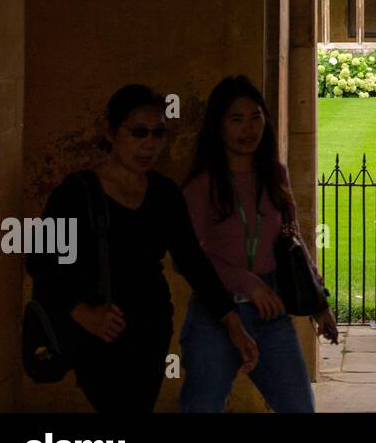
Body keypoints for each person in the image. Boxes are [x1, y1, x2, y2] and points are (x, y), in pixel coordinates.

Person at [28, 85, 258, 413]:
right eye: (138, 132)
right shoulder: (76, 193)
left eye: (158, 133)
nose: (149, 143)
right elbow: (41, 262)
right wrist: (83, 312)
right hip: (98, 332)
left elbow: (193, 261)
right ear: (110, 131)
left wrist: (233, 325)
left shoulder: (164, 194)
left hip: (150, 330)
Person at [180, 76, 337, 412]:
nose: (248, 128)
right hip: (217, 311)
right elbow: (192, 256)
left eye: (255, 117)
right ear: (218, 126)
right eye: (236, 119)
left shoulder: (275, 175)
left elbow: (292, 241)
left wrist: (318, 302)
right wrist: (246, 282)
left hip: (271, 311)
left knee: (299, 407)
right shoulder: (201, 185)